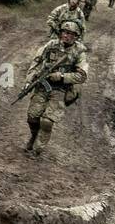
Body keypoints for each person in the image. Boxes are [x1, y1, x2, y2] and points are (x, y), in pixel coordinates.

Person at [23, 21, 89, 156]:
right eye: (65, 32)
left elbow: (82, 76)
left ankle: (37, 149)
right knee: (32, 117)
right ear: (60, 33)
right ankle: (34, 136)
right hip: (42, 86)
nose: (67, 36)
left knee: (47, 121)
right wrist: (29, 81)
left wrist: (62, 76)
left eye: (71, 34)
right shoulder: (51, 45)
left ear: (76, 36)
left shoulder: (80, 52)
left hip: (61, 89)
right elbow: (36, 62)